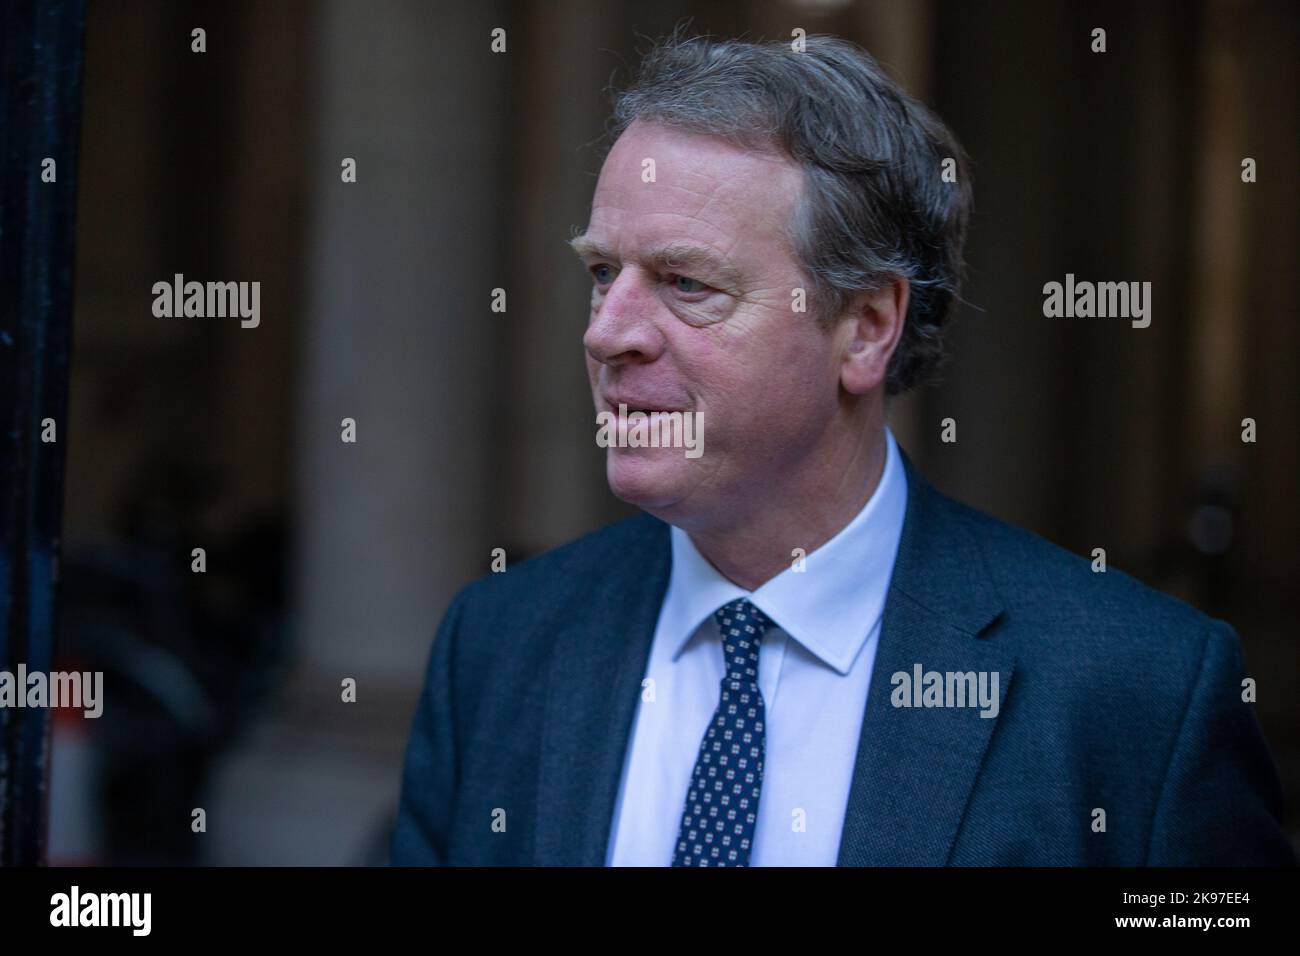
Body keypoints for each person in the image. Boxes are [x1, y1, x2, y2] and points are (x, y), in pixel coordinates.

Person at [391, 33, 1293, 866]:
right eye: (601, 274)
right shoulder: (501, 644)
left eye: (687, 282)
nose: (608, 333)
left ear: (865, 329)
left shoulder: (1135, 693)